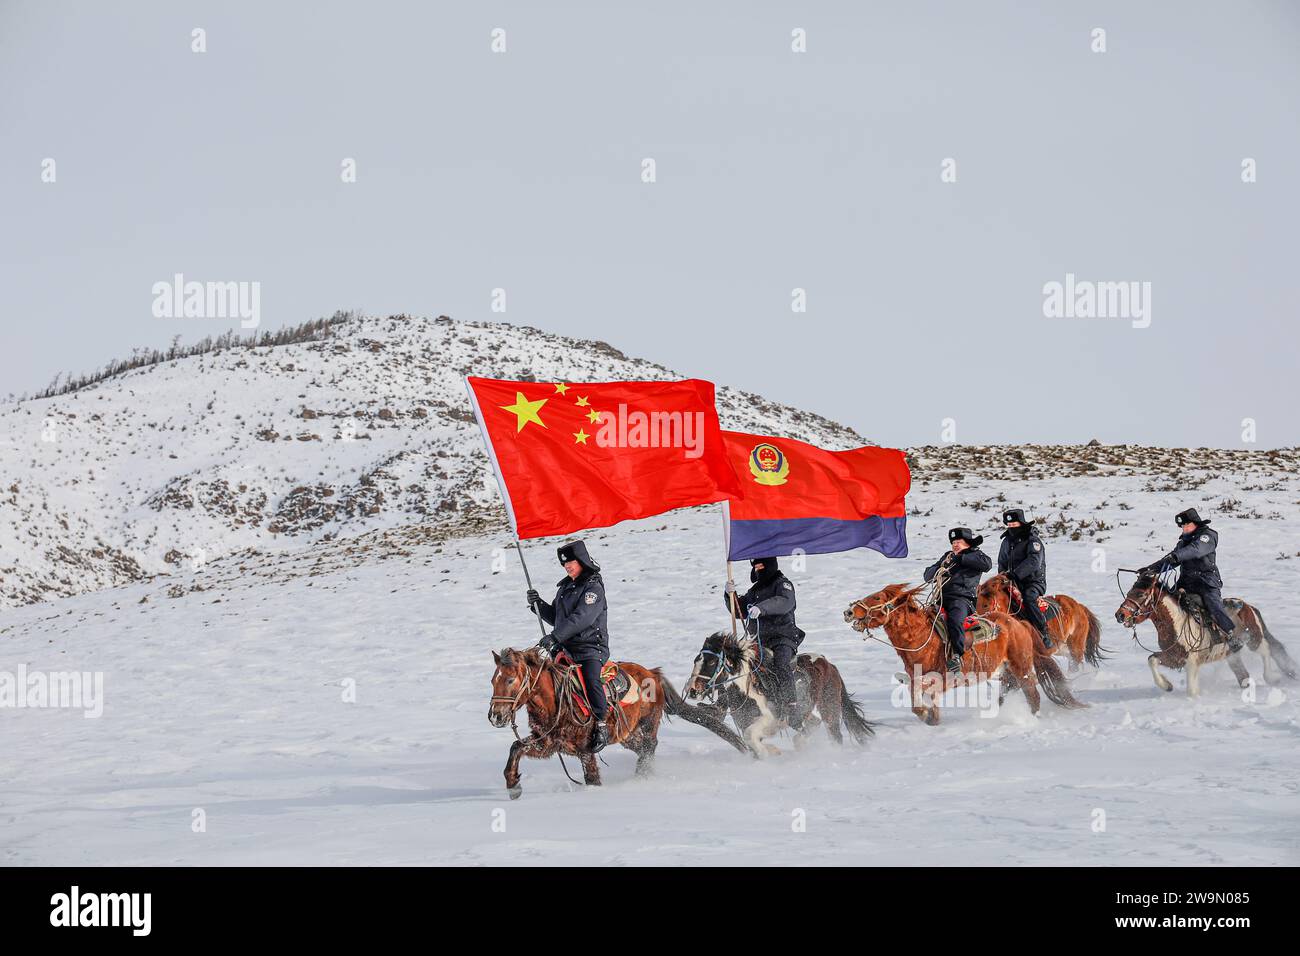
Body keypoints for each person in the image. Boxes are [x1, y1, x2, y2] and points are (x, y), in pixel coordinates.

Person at [526, 539, 611, 752]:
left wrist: (555, 637)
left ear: (581, 560)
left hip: (590, 648)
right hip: (566, 650)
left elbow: (582, 618)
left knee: (591, 680)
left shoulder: (593, 587)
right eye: (565, 564)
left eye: (571, 562)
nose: (567, 567)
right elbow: (559, 618)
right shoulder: (565, 587)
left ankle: (601, 724)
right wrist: (538, 605)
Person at [1141, 508, 1241, 652]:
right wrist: (1149, 570)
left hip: (1206, 582)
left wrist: (1177, 556)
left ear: (1196, 524)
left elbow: (1196, 550)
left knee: (1213, 604)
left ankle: (1231, 635)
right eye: (1182, 526)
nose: (1184, 528)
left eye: (1187, 525)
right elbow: (1171, 559)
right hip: (1187, 583)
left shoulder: (1207, 536)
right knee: (1167, 601)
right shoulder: (1183, 542)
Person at [724, 556, 804, 728]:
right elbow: (738, 610)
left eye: (761, 565)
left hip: (783, 638)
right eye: (755, 566)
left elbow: (784, 602)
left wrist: (762, 608)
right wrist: (729, 595)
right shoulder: (754, 591)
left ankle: (792, 706)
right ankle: (721, 706)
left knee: (781, 664)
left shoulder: (783, 584)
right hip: (759, 641)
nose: (758, 569)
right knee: (737, 664)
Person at [924, 528, 993, 673]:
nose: (955, 545)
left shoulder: (976, 555)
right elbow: (928, 575)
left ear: (967, 542)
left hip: (962, 599)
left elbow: (987, 565)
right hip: (941, 598)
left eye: (959, 542)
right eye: (953, 542)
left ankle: (957, 656)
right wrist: (939, 569)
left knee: (955, 620)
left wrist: (961, 558)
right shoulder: (948, 557)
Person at [997, 508, 1053, 648]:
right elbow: (1002, 562)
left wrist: (1015, 574)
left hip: (1033, 582)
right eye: (1009, 526)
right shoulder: (1006, 542)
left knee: (1028, 598)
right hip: (1012, 581)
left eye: (1014, 525)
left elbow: (1034, 561)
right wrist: (1002, 576)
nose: (1011, 528)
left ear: (1021, 523)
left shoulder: (1033, 541)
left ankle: (1043, 632)